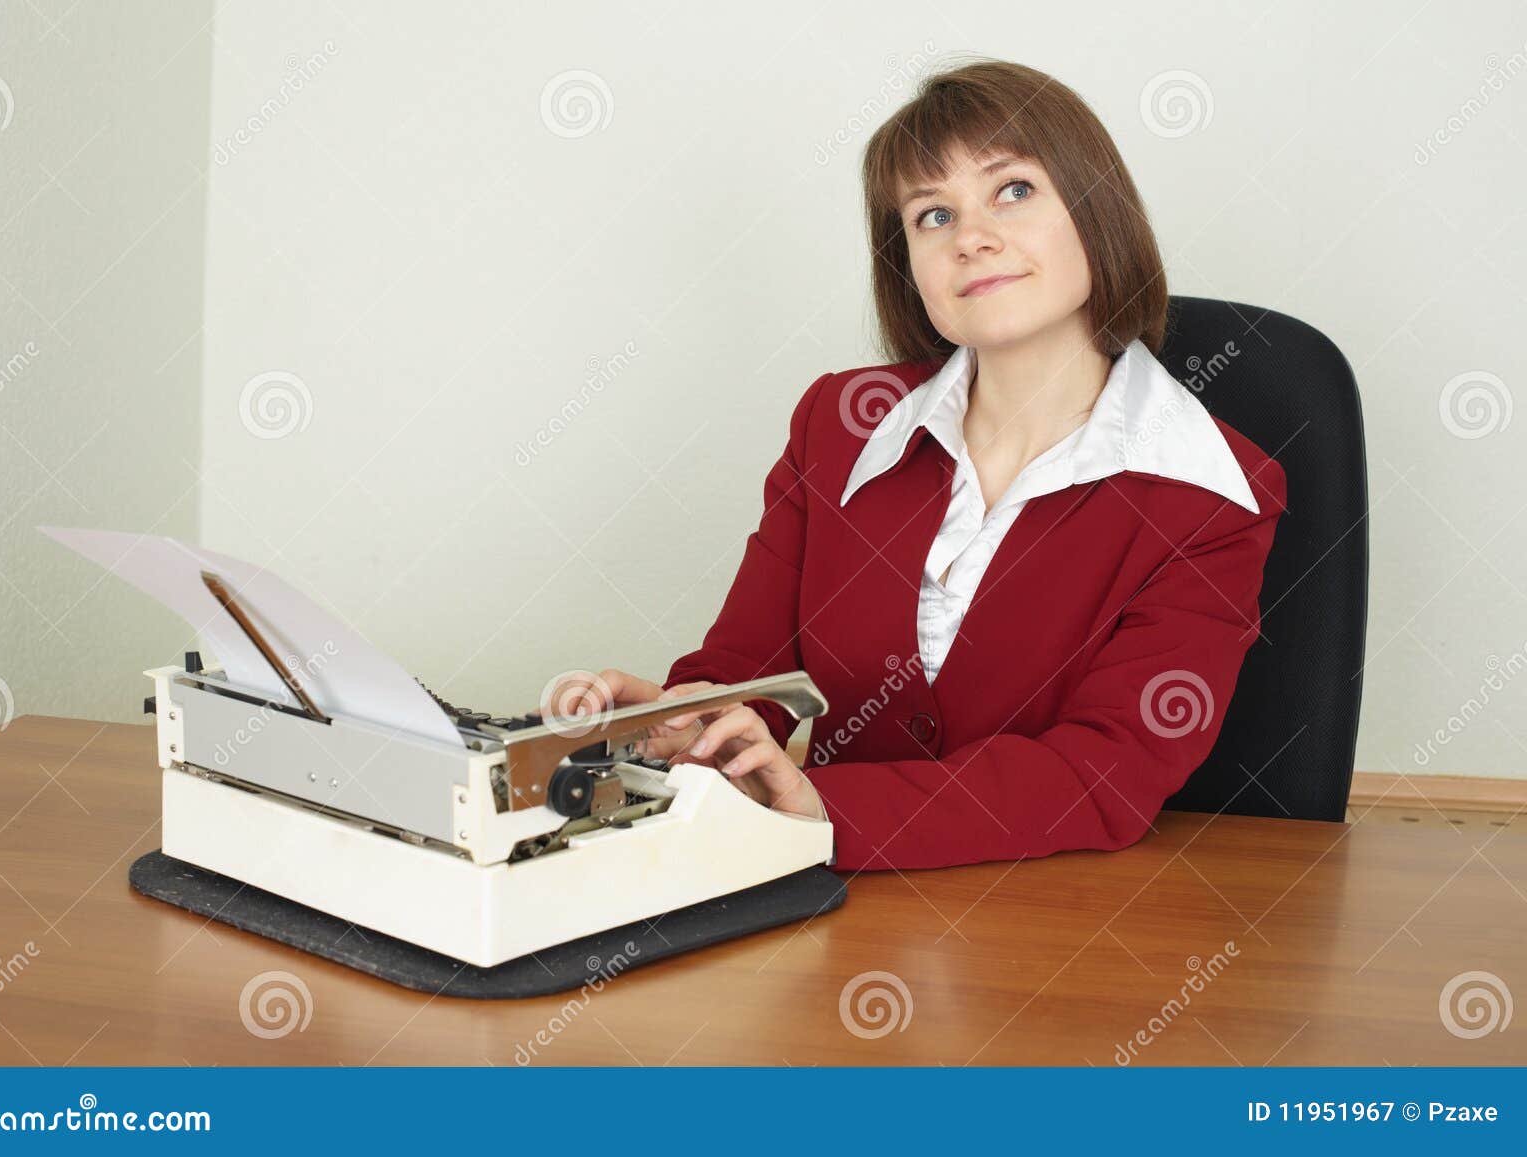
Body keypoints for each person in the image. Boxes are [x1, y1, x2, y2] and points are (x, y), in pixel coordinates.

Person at [551, 59, 1286, 872]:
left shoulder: (1213, 493)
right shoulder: (839, 425)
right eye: (933, 215)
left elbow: (1105, 769)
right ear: (909, 266)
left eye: (1013, 190)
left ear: (1095, 209)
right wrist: (683, 721)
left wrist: (821, 808)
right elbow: (745, 669)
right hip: (821, 913)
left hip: (1052, 922)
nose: (972, 237)